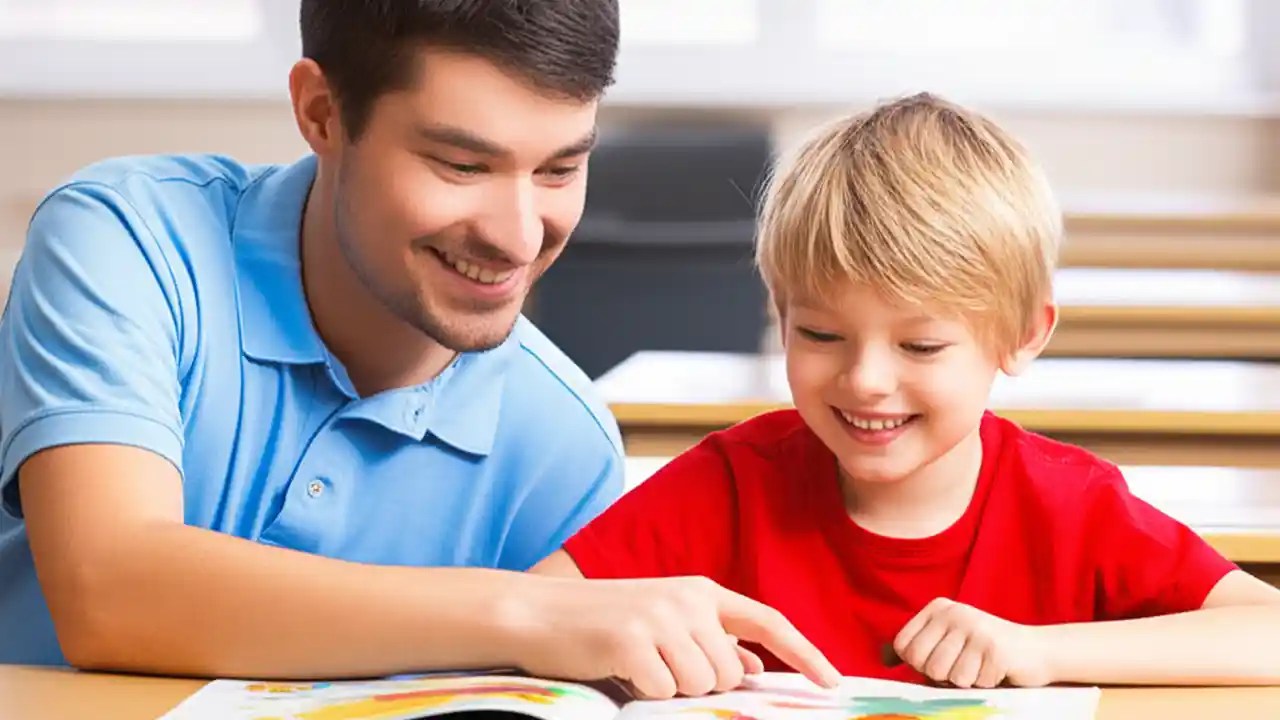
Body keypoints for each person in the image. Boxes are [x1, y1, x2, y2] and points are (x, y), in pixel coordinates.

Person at [0, 0, 838, 696]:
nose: (518, 238)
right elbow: (108, 587)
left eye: (557, 170)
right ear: (322, 114)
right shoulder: (127, 240)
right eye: (461, 165)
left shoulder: (562, 442)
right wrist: (531, 612)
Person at [534, 92, 1280, 689]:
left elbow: (1267, 635)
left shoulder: (1068, 505)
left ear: (1022, 335)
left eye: (920, 346)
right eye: (820, 336)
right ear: (778, 315)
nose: (864, 380)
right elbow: (526, 612)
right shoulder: (728, 484)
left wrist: (1043, 650)